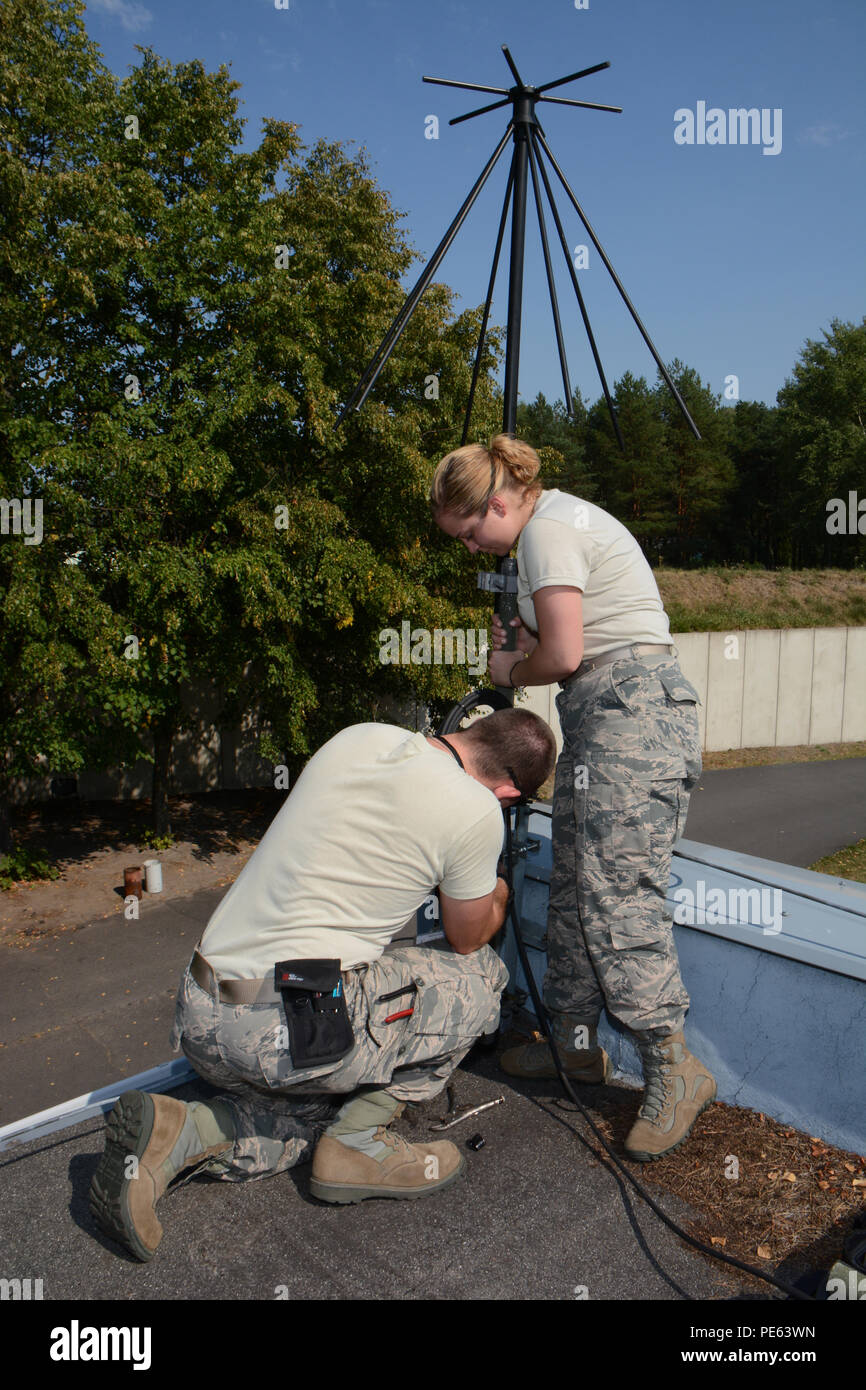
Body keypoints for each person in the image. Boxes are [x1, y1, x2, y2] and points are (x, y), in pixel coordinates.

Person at [89, 709, 556, 1261]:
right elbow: (465, 937)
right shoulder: (478, 808)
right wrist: (497, 891)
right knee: (480, 980)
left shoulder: (362, 734)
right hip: (278, 1030)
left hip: (201, 1011)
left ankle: (181, 1131)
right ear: (507, 791)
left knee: (312, 1117)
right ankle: (360, 1142)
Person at [429, 433, 716, 1163]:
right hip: (606, 713)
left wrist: (511, 664)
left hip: (632, 716)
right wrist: (517, 632)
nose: (470, 548)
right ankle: (578, 1044)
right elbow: (558, 644)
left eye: (470, 532)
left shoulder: (548, 532)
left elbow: (558, 654)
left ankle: (672, 1066)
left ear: (497, 504)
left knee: (618, 893)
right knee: (575, 886)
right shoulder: (542, 535)